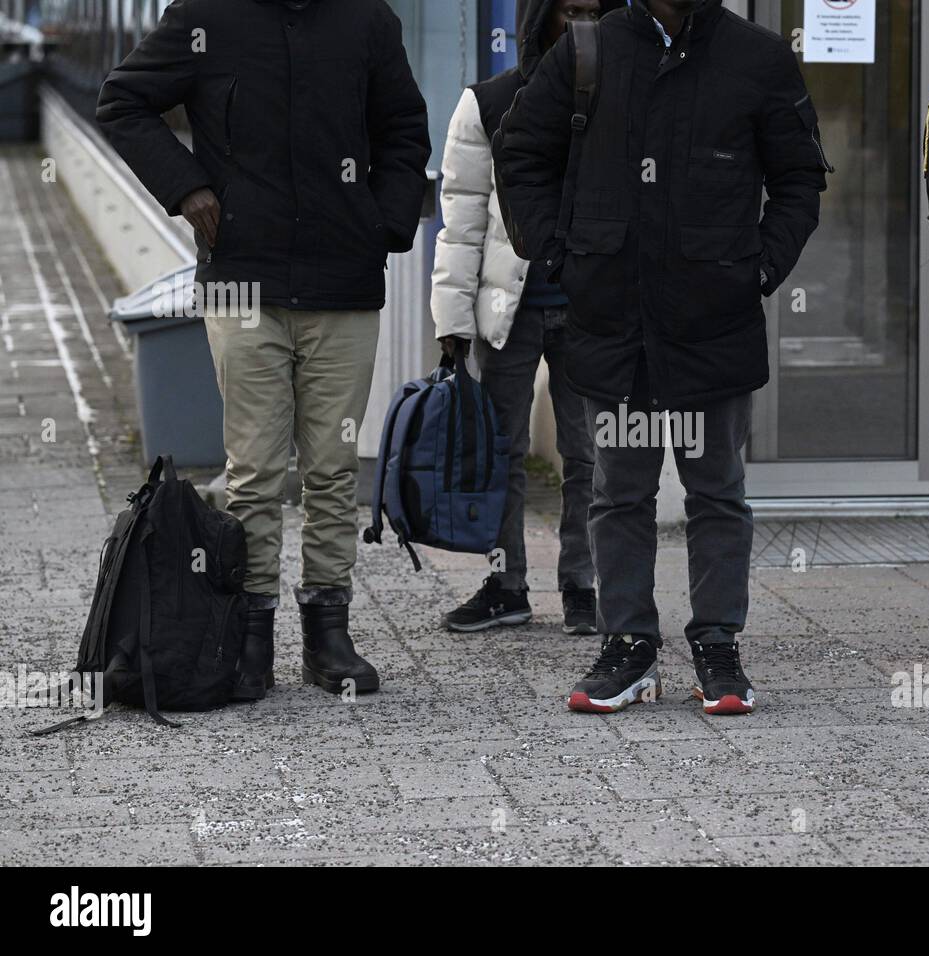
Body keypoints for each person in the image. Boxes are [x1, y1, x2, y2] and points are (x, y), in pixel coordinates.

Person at [495, 0, 830, 714]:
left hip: (714, 322)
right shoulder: (588, 51)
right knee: (618, 492)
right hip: (612, 322)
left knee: (716, 491)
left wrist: (758, 269)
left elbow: (800, 179)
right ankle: (628, 648)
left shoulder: (757, 57)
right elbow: (520, 150)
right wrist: (559, 254)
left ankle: (717, 646)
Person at [97, 0, 431, 697]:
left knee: (334, 466)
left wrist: (384, 222)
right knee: (254, 469)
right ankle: (249, 635)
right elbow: (123, 101)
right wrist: (185, 185)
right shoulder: (204, 17)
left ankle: (327, 631)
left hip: (342, 278)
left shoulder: (367, 20)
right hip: (238, 280)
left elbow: (402, 129)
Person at [432, 0, 619, 636]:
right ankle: (507, 584)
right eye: (571, 9)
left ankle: (583, 586)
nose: (582, 23)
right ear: (543, 17)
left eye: (596, 10)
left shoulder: (622, 95)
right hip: (506, 314)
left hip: (592, 308)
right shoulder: (488, 102)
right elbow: (461, 220)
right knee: (500, 452)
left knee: (588, 454)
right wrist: (452, 321)